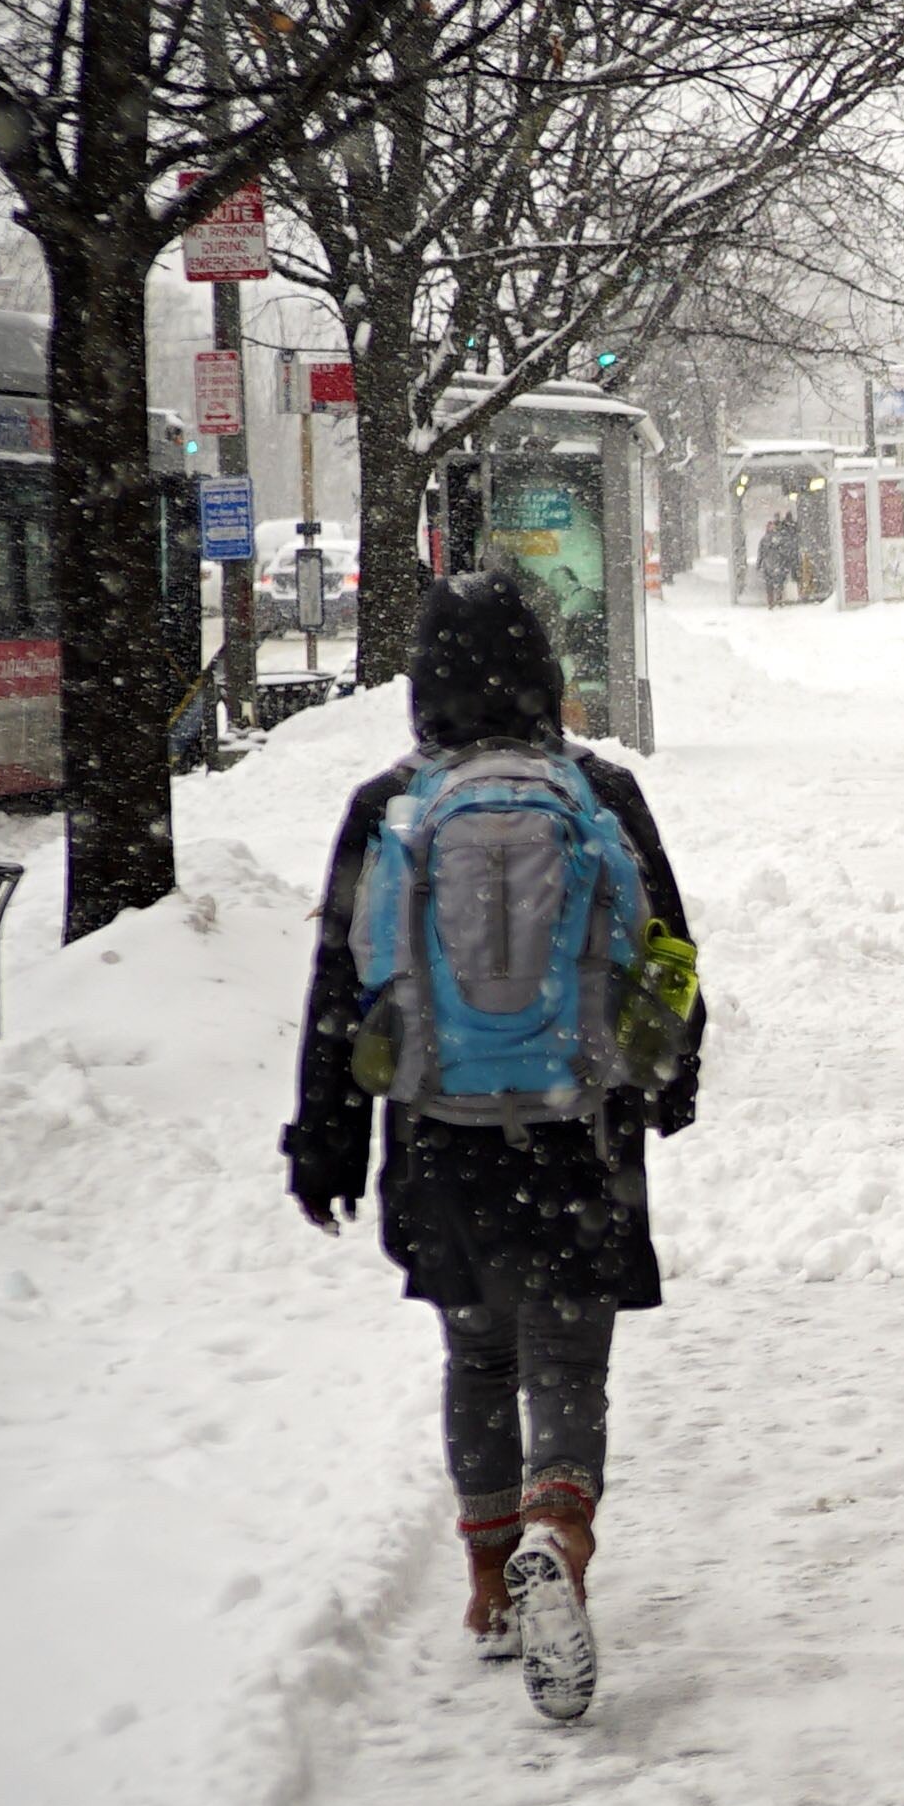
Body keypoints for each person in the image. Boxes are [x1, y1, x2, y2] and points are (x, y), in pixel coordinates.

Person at [281, 571, 705, 1720]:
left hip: (441, 1139)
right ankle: (558, 1534)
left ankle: (487, 1581)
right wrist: (670, 1081)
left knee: (478, 1354)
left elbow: (339, 990)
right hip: (579, 1131)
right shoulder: (601, 793)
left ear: (425, 688)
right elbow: (668, 949)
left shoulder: (390, 807)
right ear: (545, 677)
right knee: (567, 1357)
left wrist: (324, 1144)